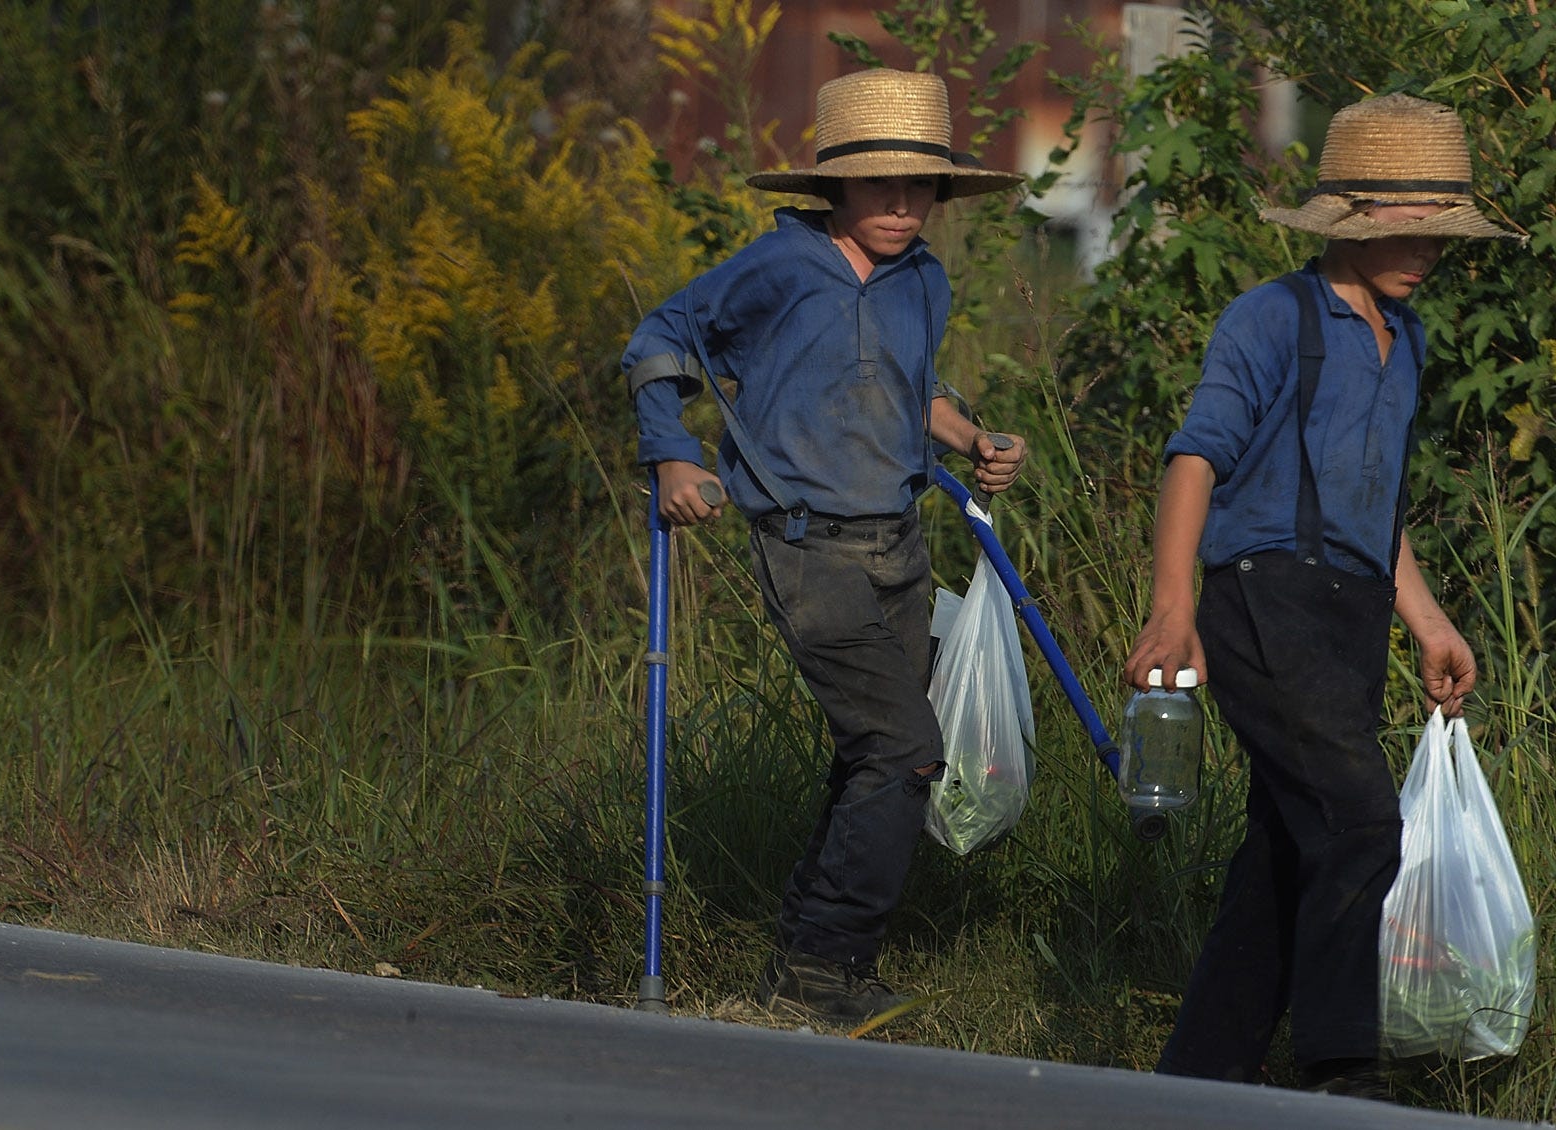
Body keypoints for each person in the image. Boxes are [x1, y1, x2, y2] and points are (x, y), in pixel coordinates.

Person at [1122, 93, 1513, 1099]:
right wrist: (1172, 606)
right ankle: (1340, 1063)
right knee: (1356, 819)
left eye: (1437, 232)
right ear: (1345, 220)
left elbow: (1374, 509)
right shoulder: (1271, 318)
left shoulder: (1407, 339)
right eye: (1402, 227)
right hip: (1258, 600)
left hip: (1346, 614)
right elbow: (1191, 459)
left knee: (1288, 843)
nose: (1422, 249)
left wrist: (1426, 621)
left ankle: (1200, 1069)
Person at [621, 68, 1028, 1023]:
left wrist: (971, 440)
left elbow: (906, 390)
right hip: (807, 550)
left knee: (869, 755)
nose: (900, 203)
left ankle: (807, 960)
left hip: (900, 546)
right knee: (904, 749)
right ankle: (823, 968)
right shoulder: (777, 268)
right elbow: (659, 340)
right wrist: (674, 458)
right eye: (880, 184)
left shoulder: (923, 278)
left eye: (920, 186)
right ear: (833, 186)